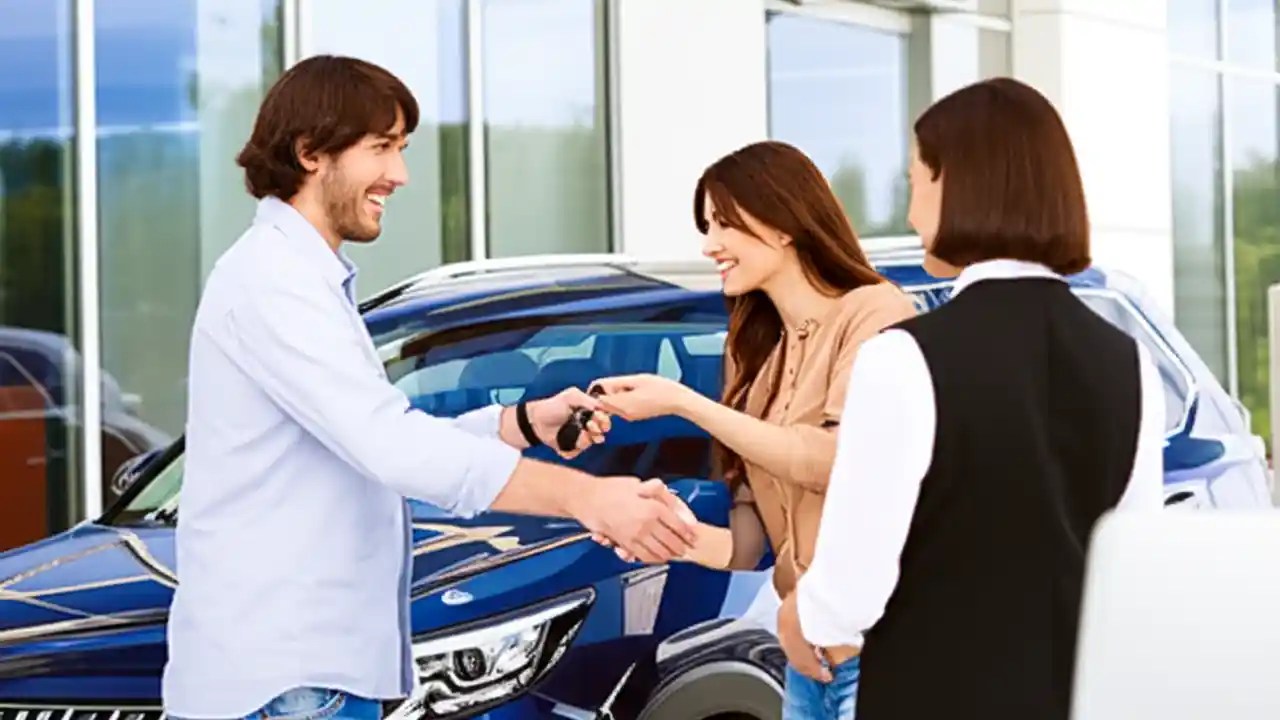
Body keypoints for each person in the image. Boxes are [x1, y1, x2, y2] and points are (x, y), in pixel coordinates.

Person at [162, 55, 695, 720]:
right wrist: (590, 498)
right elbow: (392, 447)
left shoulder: (301, 278)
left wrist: (520, 423)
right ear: (309, 152)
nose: (401, 174)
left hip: (307, 678)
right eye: (381, 148)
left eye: (403, 149)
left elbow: (371, 441)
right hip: (287, 686)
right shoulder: (274, 283)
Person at [777, 77, 1165, 720]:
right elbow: (1131, 575)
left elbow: (852, 591)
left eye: (915, 182)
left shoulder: (903, 358)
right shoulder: (1131, 363)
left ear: (960, 183)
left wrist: (801, 616)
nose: (909, 214)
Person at [588, 140, 918, 719]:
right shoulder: (754, 360)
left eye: (723, 224)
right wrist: (667, 531)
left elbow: (832, 460)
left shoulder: (874, 311)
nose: (709, 244)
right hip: (807, 659)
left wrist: (682, 403)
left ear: (782, 224)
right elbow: (748, 549)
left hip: (882, 653)